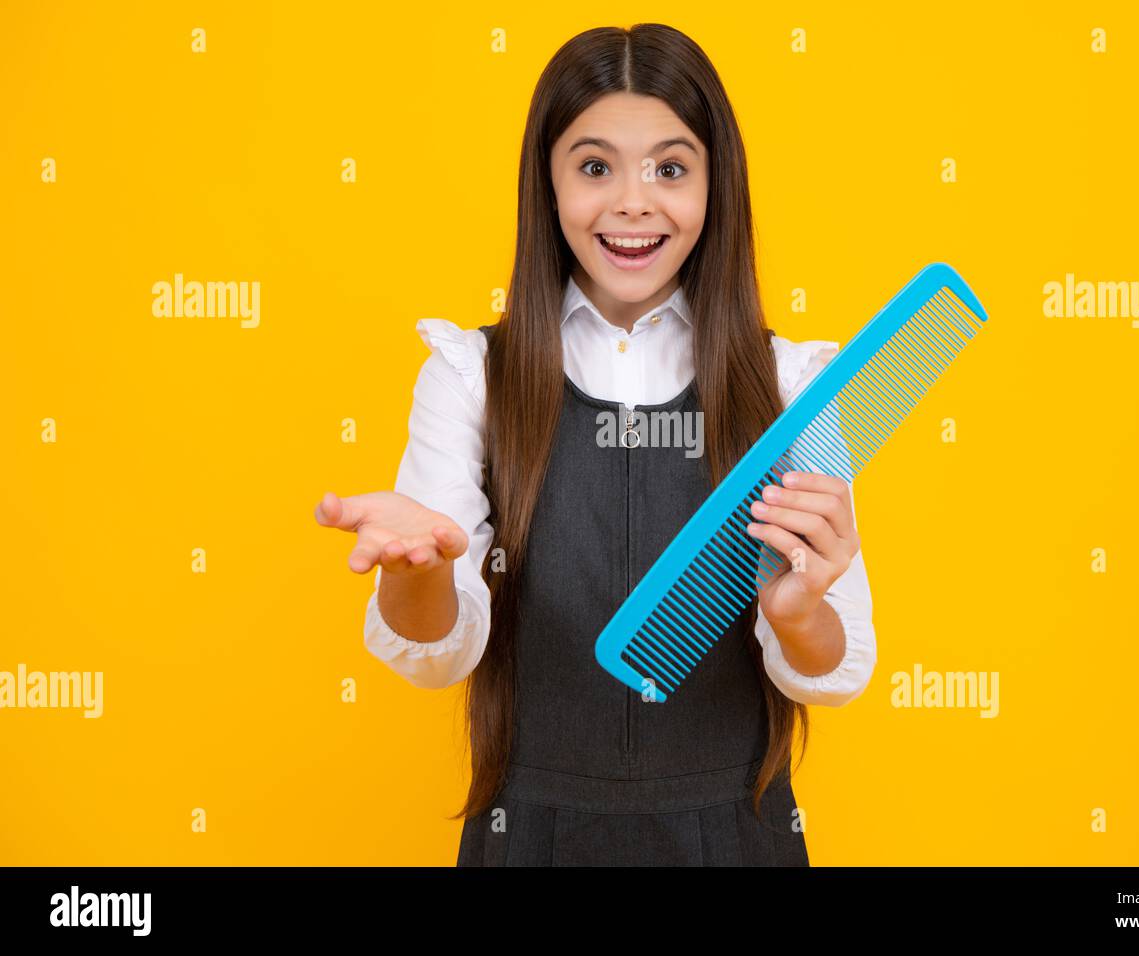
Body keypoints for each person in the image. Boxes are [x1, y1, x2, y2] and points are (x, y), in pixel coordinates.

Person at [315, 22, 876, 866]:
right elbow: (437, 652)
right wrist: (422, 573)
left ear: (716, 187)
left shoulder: (792, 388)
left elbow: (838, 667)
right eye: (594, 166)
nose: (633, 202)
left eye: (671, 168)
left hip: (736, 838)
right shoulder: (470, 377)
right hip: (528, 837)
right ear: (547, 183)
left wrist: (799, 616)